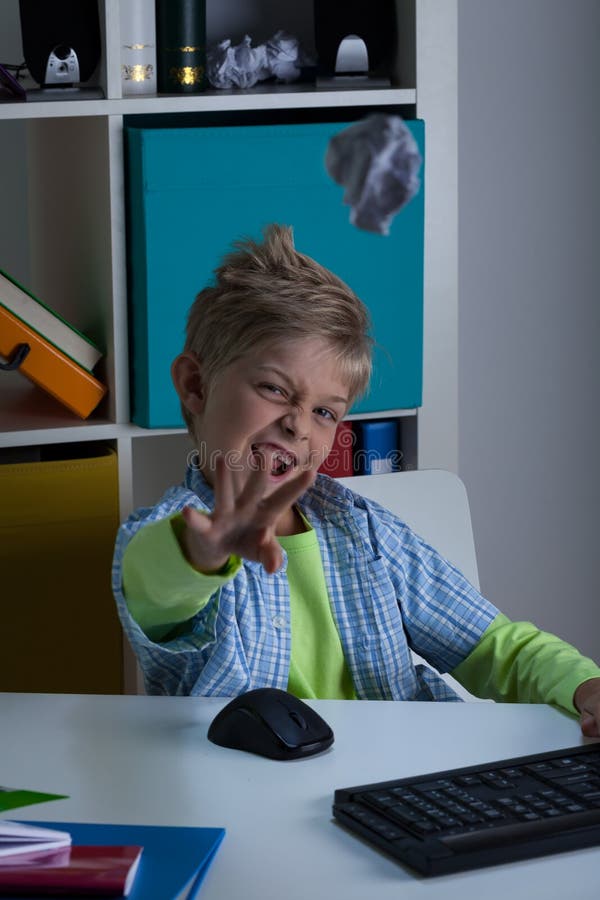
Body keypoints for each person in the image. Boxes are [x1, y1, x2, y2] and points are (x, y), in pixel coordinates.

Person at [112, 224, 600, 735]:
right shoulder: (169, 537)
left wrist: (585, 687)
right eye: (275, 389)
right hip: (247, 796)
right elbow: (156, 587)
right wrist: (202, 554)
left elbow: (494, 648)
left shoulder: (367, 532)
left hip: (399, 782)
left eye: (325, 411)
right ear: (195, 386)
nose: (298, 424)